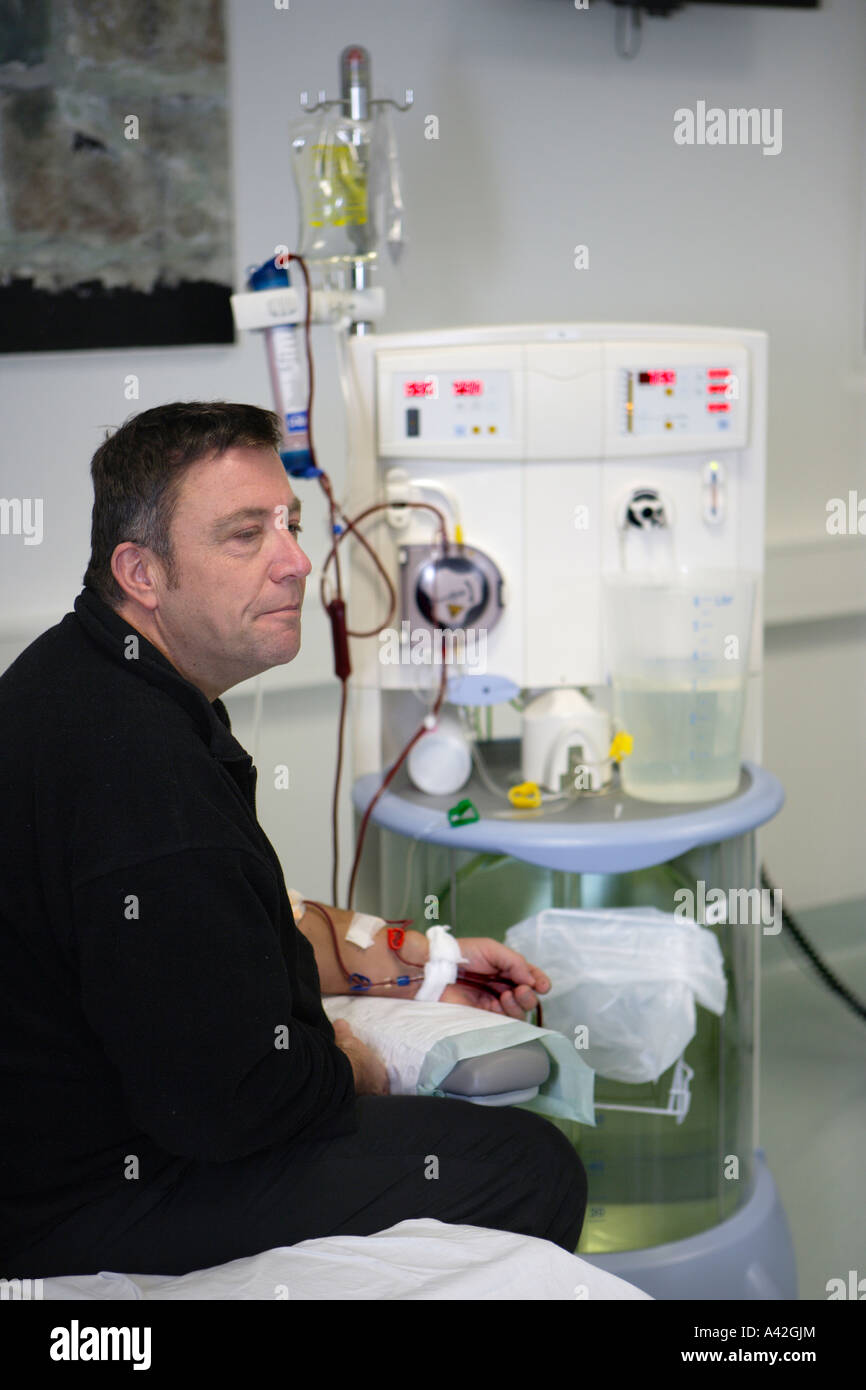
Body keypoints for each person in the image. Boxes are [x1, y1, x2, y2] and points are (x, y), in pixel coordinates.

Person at [0, 402, 587, 1280]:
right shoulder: (141, 773)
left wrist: (429, 963)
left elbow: (247, 926)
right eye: (246, 535)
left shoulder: (87, 676)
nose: (296, 561)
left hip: (73, 1150)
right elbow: (230, 1106)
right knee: (528, 1167)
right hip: (82, 1201)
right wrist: (355, 1063)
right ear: (142, 572)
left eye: (291, 524)